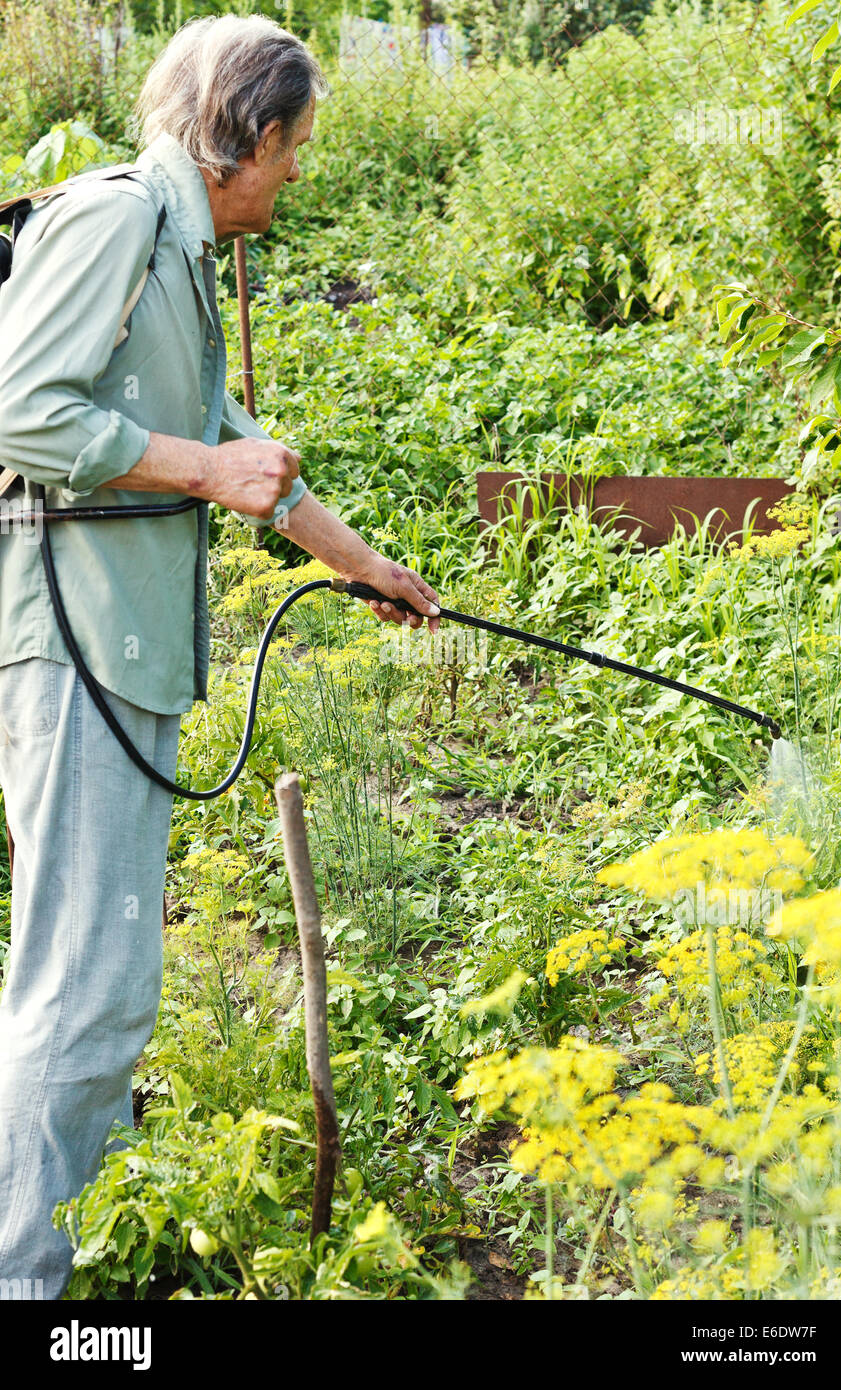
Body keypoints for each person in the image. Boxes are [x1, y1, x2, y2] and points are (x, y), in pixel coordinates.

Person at [0, 13, 439, 1300]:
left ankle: (87, 1219)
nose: (298, 171)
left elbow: (223, 435)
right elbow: (20, 407)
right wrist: (208, 469)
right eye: (295, 146)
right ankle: (33, 1284)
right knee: (83, 986)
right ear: (248, 136)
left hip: (116, 652)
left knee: (101, 978)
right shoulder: (118, 219)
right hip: (74, 650)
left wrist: (365, 565)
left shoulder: (179, 250)